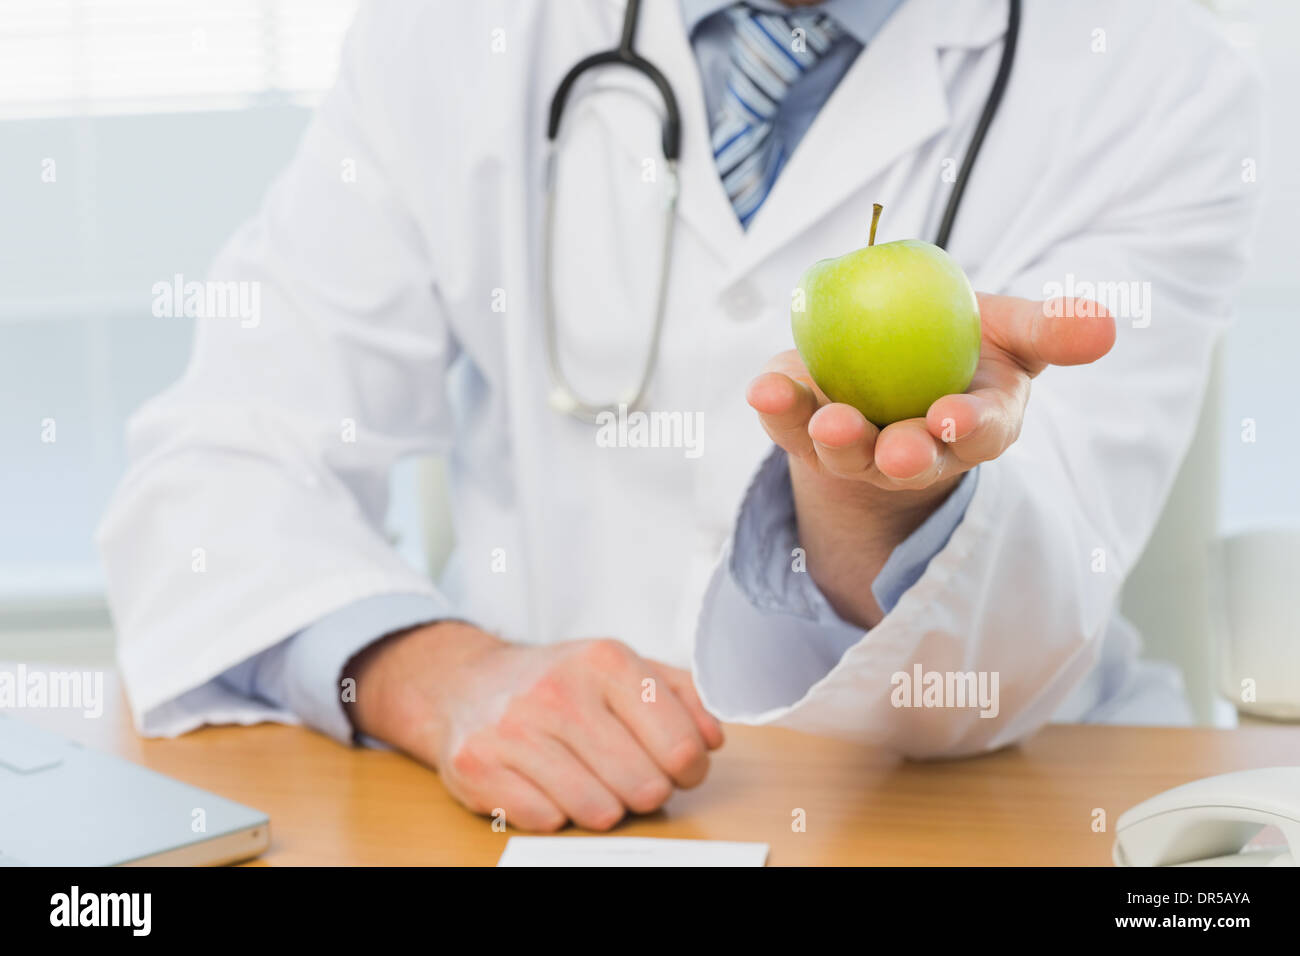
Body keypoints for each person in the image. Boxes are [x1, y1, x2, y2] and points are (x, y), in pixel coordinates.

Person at [98, 0, 1263, 832]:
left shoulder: (1153, 72)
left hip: (996, 813)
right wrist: (434, 673)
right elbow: (219, 472)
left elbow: (1021, 626)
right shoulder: (450, 30)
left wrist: (878, 506)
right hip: (545, 821)